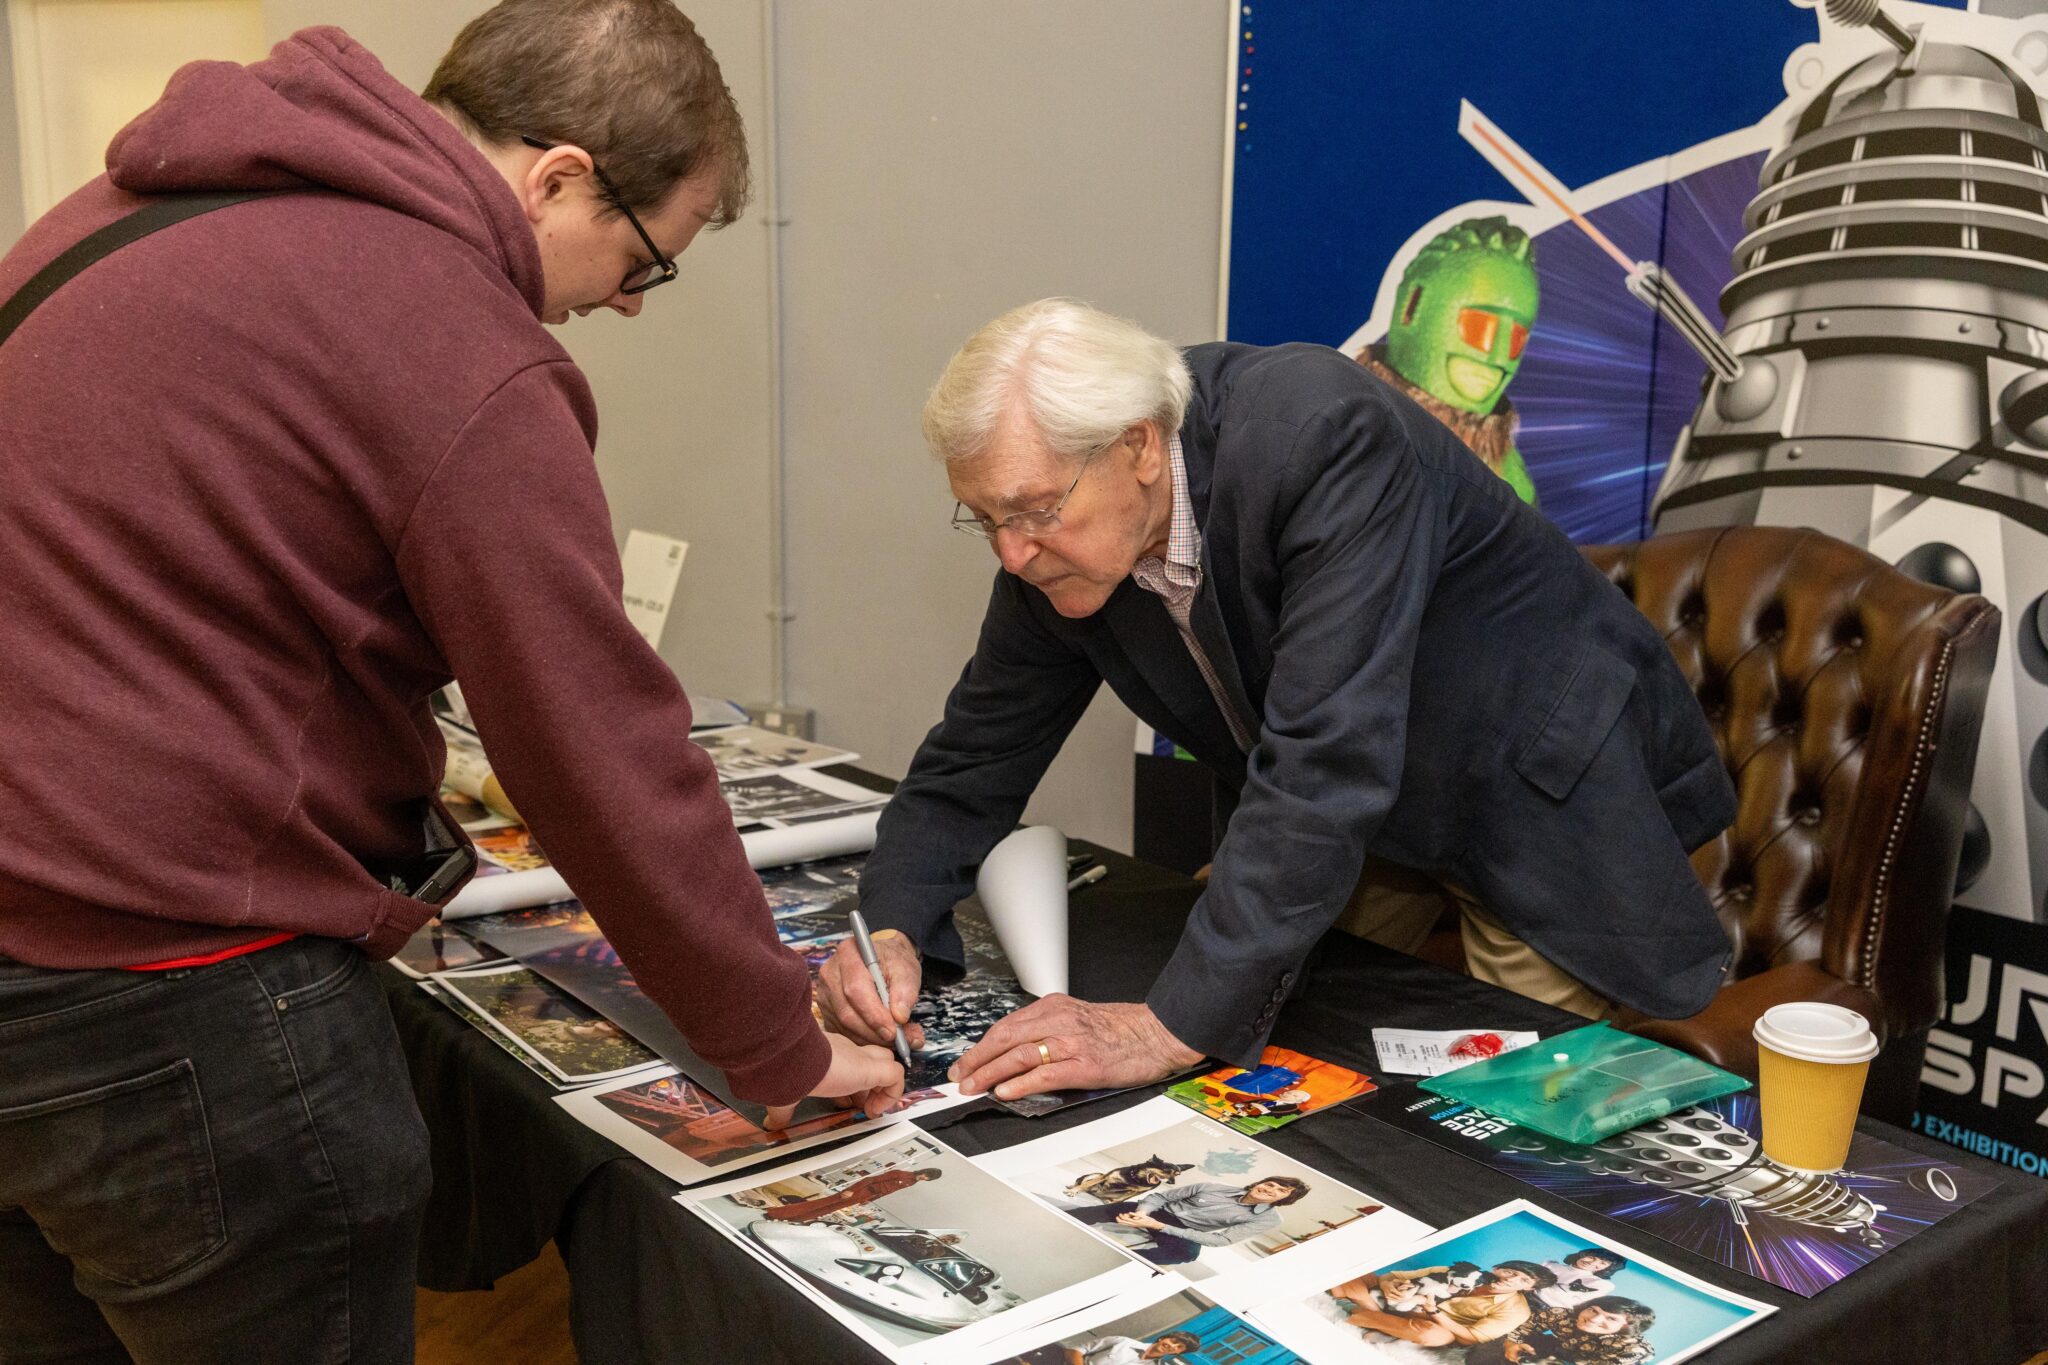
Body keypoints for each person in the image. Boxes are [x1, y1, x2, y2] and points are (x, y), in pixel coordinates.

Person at [0, 3, 901, 1359]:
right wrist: (772, 1038)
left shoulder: (106, 219)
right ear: (556, 176)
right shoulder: (447, 335)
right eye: (645, 255)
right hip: (182, 1001)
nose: (630, 304)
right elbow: (595, 741)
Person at [816, 297, 1735, 1100]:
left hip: (1529, 782)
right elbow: (976, 754)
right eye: (985, 518)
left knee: (1509, 1105)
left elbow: (1322, 762)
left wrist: (1167, 1028)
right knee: (1294, 1058)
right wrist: (888, 924)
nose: (1009, 553)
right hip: (1365, 806)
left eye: (1031, 510)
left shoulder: (1321, 436)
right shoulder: (1055, 546)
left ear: (1137, 444)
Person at [1068, 1175, 1308, 1266]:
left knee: (1187, 1254)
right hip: (1158, 1212)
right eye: (1270, 1183)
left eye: (1281, 1191)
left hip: (1184, 1229)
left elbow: (1221, 1240)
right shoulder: (1212, 1185)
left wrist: (1159, 1227)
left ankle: (1115, 1262)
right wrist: (1143, 1213)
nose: (1270, 1189)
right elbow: (1160, 1196)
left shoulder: (1271, 1219)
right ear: (1258, 1182)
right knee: (1097, 1212)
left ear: (1286, 1200)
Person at [1341, 1260, 1558, 1349]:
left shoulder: (1517, 1310)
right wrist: (1390, 1286)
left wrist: (1432, 1310)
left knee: (1436, 1337)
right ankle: (1376, 1319)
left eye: (1523, 1280)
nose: (1511, 1279)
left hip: (1430, 1322)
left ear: (1529, 1289)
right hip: (1396, 1301)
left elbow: (1470, 1338)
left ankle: (1360, 1312)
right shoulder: (1459, 1271)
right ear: (1497, 1267)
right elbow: (1390, 1276)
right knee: (1355, 1272)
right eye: (1510, 1271)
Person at [1472, 1296, 1657, 1365]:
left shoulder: (1633, 1350)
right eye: (1593, 1309)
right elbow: (1520, 1329)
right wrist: (1510, 1345)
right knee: (1484, 1353)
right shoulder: (1559, 1314)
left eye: (1611, 1318)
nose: (1594, 1318)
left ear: (1627, 1328)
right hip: (1556, 1349)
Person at [759, 1167, 942, 1223]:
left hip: (865, 1196)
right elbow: (871, 1179)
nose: (924, 1178)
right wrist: (852, 1190)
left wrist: (868, 1200)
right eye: (927, 1175)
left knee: (825, 1210)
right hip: (861, 1190)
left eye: (928, 1179)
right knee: (819, 1204)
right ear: (925, 1171)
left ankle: (795, 1219)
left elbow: (887, 1191)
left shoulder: (911, 1182)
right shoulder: (901, 1174)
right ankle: (775, 1213)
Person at [1533, 1248, 1627, 1310]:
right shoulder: (1551, 1264)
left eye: (1603, 1263)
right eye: (1591, 1257)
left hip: (1545, 1309)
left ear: (1607, 1268)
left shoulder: (1599, 1284)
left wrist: (1537, 1286)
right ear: (1582, 1255)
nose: (1592, 1263)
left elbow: (1573, 1304)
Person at [1067, 1329, 1204, 1364]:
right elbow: (1074, 1350)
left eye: (1179, 1347)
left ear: (1178, 1353)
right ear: (1163, 1338)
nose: (1172, 1346)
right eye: (1173, 1341)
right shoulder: (1123, 1342)